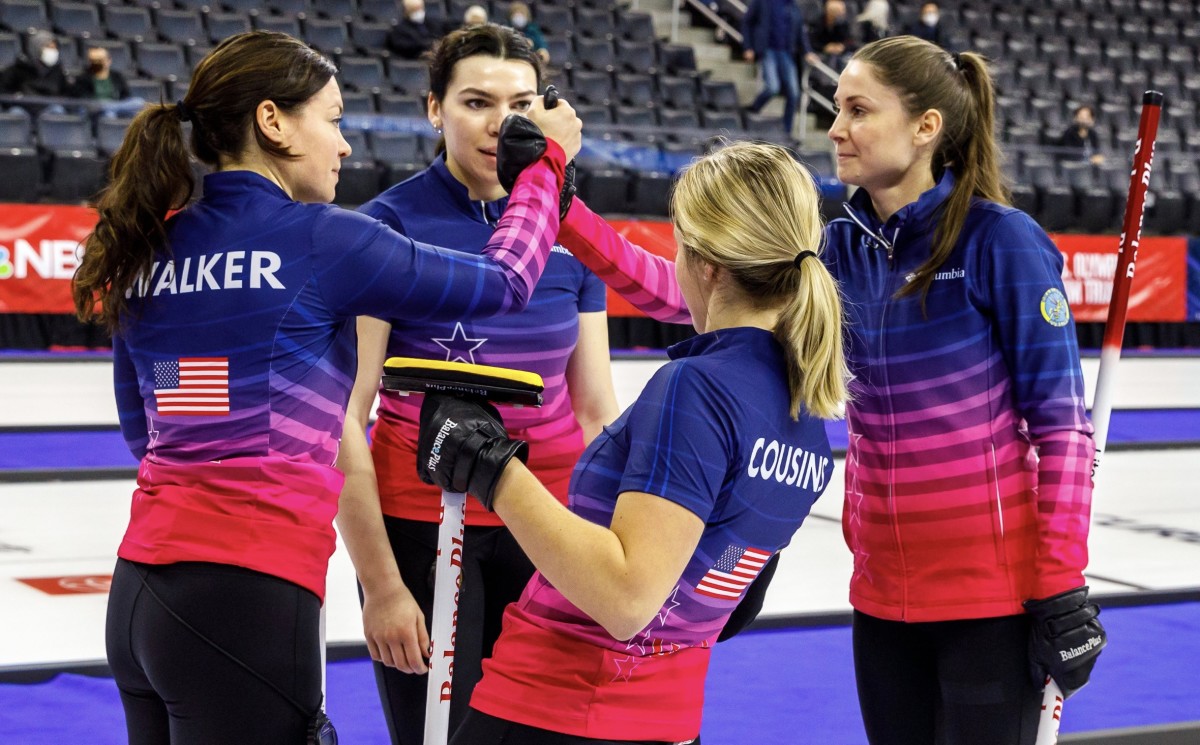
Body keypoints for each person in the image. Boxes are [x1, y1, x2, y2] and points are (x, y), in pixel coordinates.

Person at [549, 35, 1108, 745]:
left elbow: (1063, 429)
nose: (835, 126)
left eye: (857, 109)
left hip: (991, 604)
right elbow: (680, 288)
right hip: (881, 600)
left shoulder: (1001, 243)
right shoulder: (836, 248)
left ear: (925, 127)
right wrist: (568, 214)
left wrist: (1061, 586)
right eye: (837, 107)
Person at [70, 30, 580, 744]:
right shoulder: (321, 239)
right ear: (273, 121)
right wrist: (546, 166)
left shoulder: (152, 242)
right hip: (248, 595)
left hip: (142, 597)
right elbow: (506, 283)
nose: (344, 146)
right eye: (333, 119)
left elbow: (148, 422)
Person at [415, 139, 850, 744]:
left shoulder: (696, 386)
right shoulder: (801, 408)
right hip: (663, 714)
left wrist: (491, 466)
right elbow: (723, 597)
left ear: (708, 266)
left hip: (560, 706)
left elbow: (626, 599)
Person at [337, 23, 619, 745]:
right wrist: (382, 587)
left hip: (553, 530)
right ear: (435, 109)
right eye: (475, 102)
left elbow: (594, 407)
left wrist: (613, 548)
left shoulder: (572, 227)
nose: (502, 123)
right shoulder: (386, 227)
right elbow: (347, 415)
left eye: (521, 102)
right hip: (425, 527)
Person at [741, 0, 819, 136]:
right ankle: (753, 109)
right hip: (767, 50)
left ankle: (786, 131)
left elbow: (800, 31)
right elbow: (747, 23)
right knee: (772, 87)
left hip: (786, 53)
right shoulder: (762, 2)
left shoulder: (793, 6)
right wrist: (748, 47)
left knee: (794, 93)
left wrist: (807, 51)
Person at [0, 30, 70, 97]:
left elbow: (66, 94)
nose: (53, 51)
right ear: (36, 48)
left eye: (54, 48)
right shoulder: (17, 70)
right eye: (48, 47)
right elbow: (5, 93)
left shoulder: (57, 72)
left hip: (51, 107)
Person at [387, 0, 451, 60]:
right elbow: (405, 47)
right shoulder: (399, 30)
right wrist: (427, 44)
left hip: (435, 59)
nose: (419, 12)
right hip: (414, 61)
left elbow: (439, 37)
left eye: (420, 9)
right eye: (414, 10)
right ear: (406, 11)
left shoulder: (433, 24)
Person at [809, 0, 857, 69]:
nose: (841, 15)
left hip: (841, 53)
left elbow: (851, 40)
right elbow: (811, 41)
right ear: (829, 12)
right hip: (821, 51)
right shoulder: (817, 23)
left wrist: (842, 46)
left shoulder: (844, 24)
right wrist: (825, 47)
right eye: (837, 12)